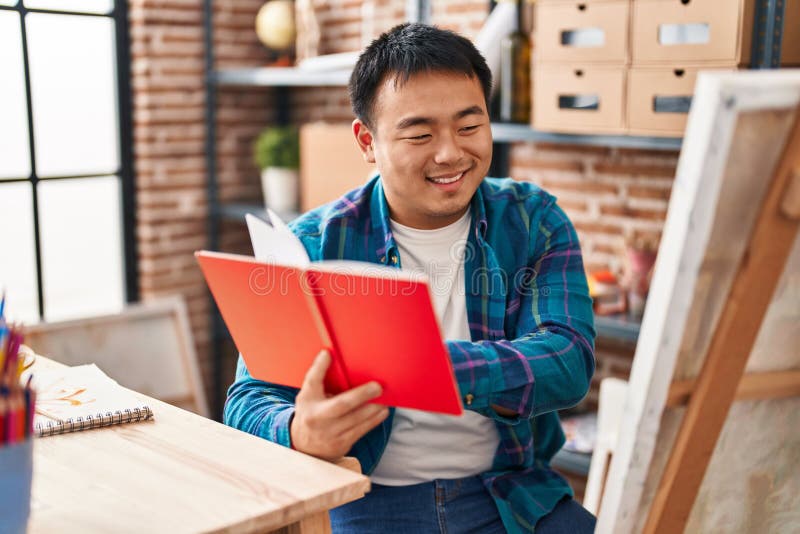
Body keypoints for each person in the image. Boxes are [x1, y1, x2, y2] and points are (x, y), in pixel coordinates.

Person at [225, 23, 597, 533]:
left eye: (470, 127)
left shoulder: (533, 219)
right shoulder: (312, 244)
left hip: (511, 493)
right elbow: (246, 400)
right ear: (367, 141)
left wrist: (424, 364)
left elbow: (568, 360)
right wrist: (298, 428)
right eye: (420, 134)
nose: (450, 154)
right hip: (368, 499)